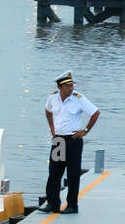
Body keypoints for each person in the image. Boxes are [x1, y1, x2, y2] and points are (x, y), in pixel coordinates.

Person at [41, 71, 99, 214]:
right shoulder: (52, 97)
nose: (71, 88)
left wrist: (85, 130)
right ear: (59, 87)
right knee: (54, 173)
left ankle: (72, 205)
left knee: (73, 174)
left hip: (73, 140)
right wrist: (52, 128)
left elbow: (95, 112)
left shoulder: (78, 98)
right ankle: (53, 203)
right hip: (59, 140)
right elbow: (48, 111)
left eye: (72, 85)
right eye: (67, 86)